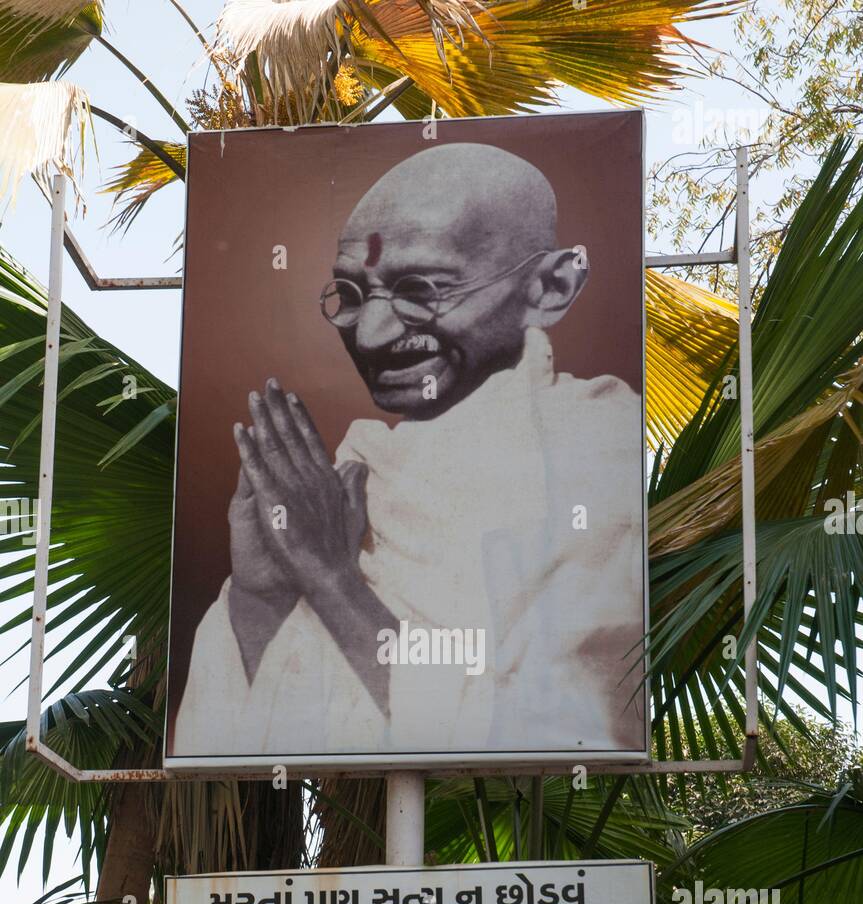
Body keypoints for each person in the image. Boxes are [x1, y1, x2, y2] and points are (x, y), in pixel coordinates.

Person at [173, 142, 645, 759]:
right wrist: (262, 598)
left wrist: (331, 579)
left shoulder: (594, 447)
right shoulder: (356, 476)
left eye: (420, 290)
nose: (371, 334)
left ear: (549, 287)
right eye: (350, 294)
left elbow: (559, 730)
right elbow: (248, 743)